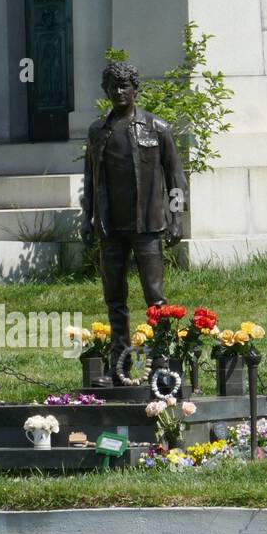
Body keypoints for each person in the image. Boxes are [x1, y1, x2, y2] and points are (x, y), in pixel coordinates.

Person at [80, 59, 188, 381]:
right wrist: (87, 219)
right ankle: (120, 363)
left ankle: (162, 361)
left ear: (135, 88)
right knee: (115, 299)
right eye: (113, 87)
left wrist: (177, 217)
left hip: (148, 226)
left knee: (155, 297)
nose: (120, 92)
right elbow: (90, 179)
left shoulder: (158, 128)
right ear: (106, 91)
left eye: (125, 85)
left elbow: (176, 178)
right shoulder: (98, 132)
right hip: (111, 228)